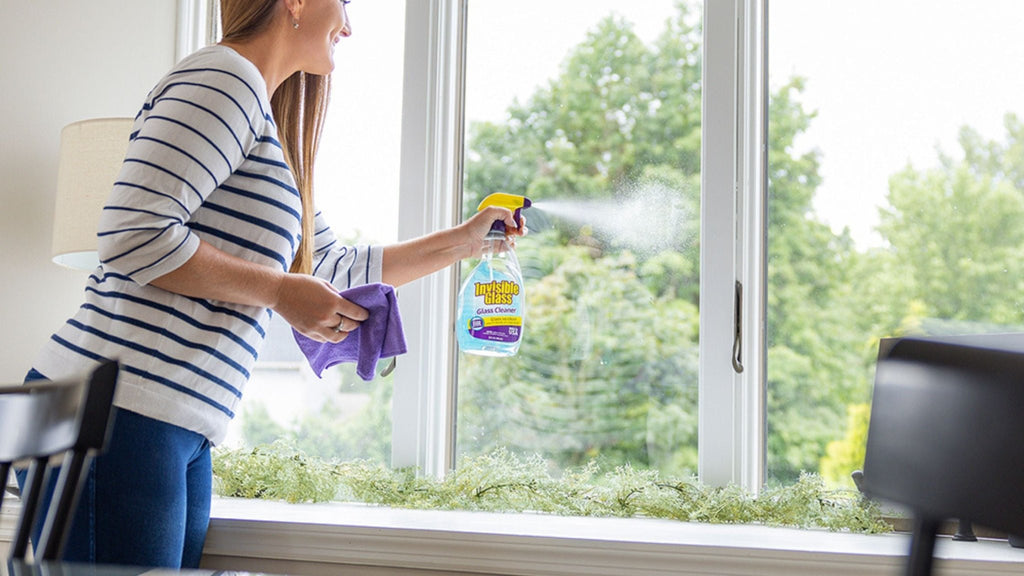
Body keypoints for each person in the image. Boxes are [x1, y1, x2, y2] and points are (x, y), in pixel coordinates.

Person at [25, 0, 523, 568]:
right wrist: (280, 292)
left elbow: (328, 264)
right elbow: (133, 234)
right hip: (118, 406)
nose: (349, 26)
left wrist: (467, 240)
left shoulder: (263, 118)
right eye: (345, 3)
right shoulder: (223, 78)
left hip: (172, 419)